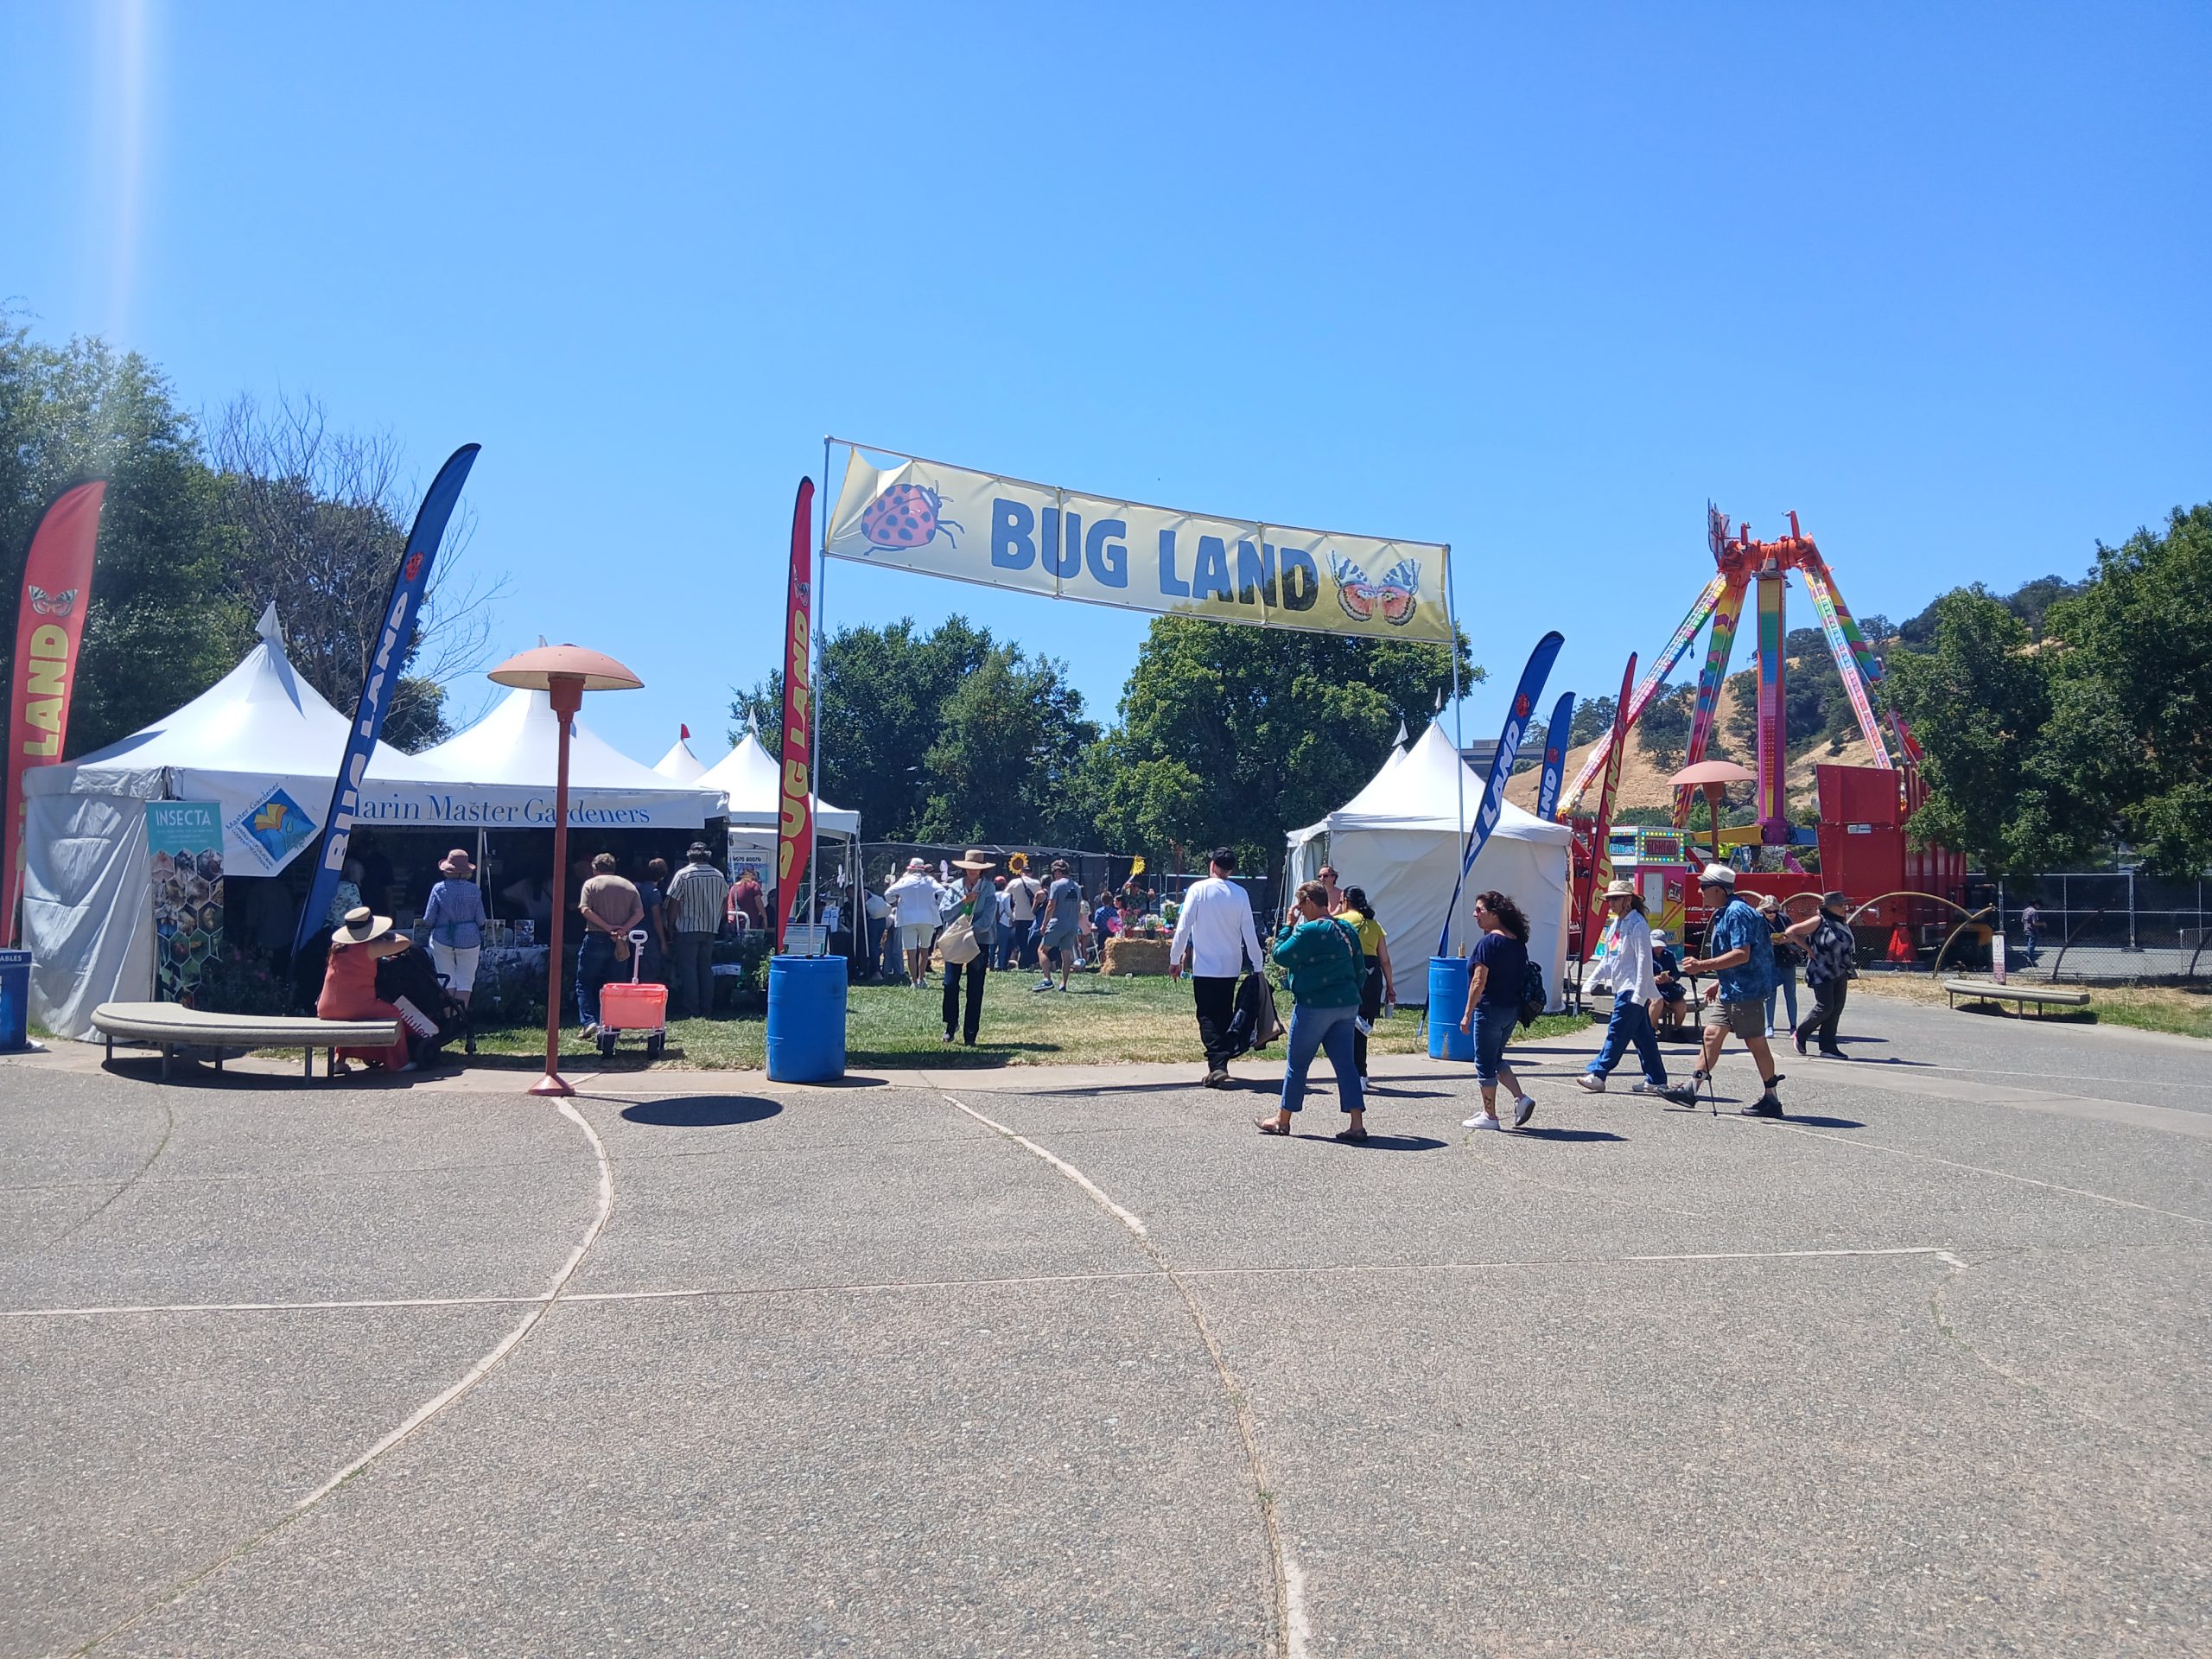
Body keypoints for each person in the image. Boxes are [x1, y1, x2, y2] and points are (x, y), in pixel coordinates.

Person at [1255, 880, 1367, 1141]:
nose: (1300, 910)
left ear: (1307, 901)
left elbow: (1281, 955)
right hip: (1346, 1004)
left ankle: (1283, 1120)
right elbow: (1360, 969)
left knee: (1298, 1064)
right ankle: (1356, 1123)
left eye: (1300, 904)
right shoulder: (1346, 928)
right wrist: (1353, 995)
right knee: (1346, 1065)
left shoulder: (1309, 931)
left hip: (1315, 1005)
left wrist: (1287, 926)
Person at [1676, 863, 1785, 1116]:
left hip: (1746, 990)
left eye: (1704, 886)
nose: (1699, 890)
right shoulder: (1727, 911)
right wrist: (1719, 979)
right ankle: (1691, 1088)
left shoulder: (1737, 913)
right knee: (1711, 1035)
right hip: (1731, 987)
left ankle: (1772, 1099)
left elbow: (1742, 953)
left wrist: (1702, 966)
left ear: (1717, 889)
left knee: (1755, 1042)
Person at [1577, 880, 1695, 1103]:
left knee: (1617, 1033)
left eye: (1615, 899)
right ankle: (1657, 1079)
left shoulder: (1638, 925)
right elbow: (1608, 959)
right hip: (1623, 988)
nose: (1610, 903)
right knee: (1644, 1037)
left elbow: (1644, 961)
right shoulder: (1615, 925)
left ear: (1627, 900)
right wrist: (1590, 982)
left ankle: (1598, 1073)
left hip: (1632, 990)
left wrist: (1640, 994)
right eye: (1609, 899)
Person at [1168, 848, 1268, 1087]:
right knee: (1224, 1012)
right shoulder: (1240, 894)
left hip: (1205, 964)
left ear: (1212, 865)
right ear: (1231, 869)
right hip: (1231, 964)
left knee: (1207, 1015)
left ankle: (1218, 1062)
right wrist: (1257, 963)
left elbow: (1183, 927)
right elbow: (1249, 932)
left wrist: (1175, 958)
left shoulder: (1198, 890)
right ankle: (1221, 1060)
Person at [1458, 891, 1539, 1130]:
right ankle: (1521, 1098)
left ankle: (1489, 1115)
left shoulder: (1489, 943)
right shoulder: (1517, 942)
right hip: (1511, 1010)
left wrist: (1467, 1013)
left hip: (1490, 1009)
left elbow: (1478, 981)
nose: (1475, 915)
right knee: (1496, 1058)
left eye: (1480, 910)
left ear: (1494, 914)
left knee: (1484, 1062)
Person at [319, 906, 416, 1074]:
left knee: (346, 1018)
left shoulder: (338, 946)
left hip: (326, 1006)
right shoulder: (370, 948)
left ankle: (339, 1060)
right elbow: (405, 942)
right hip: (356, 1006)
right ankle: (399, 1062)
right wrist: (385, 933)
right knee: (393, 1013)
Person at [576, 852, 644, 1039]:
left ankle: (590, 1021)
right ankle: (613, 1025)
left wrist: (606, 927)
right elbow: (640, 913)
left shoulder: (590, 884)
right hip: (620, 941)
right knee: (616, 986)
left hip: (595, 936)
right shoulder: (628, 885)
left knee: (584, 983)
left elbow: (585, 910)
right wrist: (623, 929)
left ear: (595, 868)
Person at [1336, 885, 1396, 1083]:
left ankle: (1352, 1072)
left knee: (1345, 1026)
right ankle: (1362, 1072)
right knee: (1363, 1026)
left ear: (1345, 900)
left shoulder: (1341, 921)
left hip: (1350, 973)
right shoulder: (1374, 924)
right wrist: (1390, 986)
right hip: (1373, 975)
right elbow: (1385, 959)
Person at [1787, 890, 1858, 1059]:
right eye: (1840, 905)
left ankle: (1828, 1047)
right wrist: (1808, 949)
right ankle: (1801, 1034)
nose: (1844, 908)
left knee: (1836, 1009)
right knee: (1824, 1007)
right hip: (1822, 970)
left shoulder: (1841, 922)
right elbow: (1791, 932)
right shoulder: (1819, 920)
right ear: (1829, 907)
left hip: (1840, 970)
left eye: (1845, 904)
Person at [941, 849, 1000, 1046]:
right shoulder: (955, 887)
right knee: (950, 984)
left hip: (978, 941)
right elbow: (945, 914)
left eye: (976, 869)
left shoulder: (989, 889)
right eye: (969, 868)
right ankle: (951, 1025)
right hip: (955, 940)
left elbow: (988, 919)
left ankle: (971, 1034)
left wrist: (970, 931)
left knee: (975, 988)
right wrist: (962, 902)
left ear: (982, 870)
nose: (972, 872)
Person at [664, 843, 728, 1019]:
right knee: (705, 968)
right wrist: (717, 920)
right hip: (710, 929)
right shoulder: (718, 875)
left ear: (689, 856)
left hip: (687, 928)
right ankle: (707, 1008)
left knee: (689, 969)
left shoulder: (683, 875)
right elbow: (725, 902)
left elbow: (674, 903)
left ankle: (692, 1009)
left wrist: (670, 926)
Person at [421, 849, 487, 1008]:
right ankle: (460, 1019)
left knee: (445, 978)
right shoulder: (474, 890)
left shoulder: (439, 888)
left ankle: (448, 1021)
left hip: (443, 937)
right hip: (470, 938)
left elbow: (428, 919)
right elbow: (481, 920)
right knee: (466, 980)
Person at [886, 858, 941, 988]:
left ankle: (914, 981)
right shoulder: (929, 880)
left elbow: (888, 893)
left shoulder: (904, 880)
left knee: (911, 952)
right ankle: (922, 979)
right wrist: (936, 904)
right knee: (924, 949)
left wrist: (896, 900)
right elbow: (942, 891)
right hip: (927, 918)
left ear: (910, 868)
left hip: (907, 919)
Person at [1035, 858, 1084, 993]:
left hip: (1058, 922)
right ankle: (1063, 984)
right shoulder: (1076, 886)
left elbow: (1051, 905)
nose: (1053, 875)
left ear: (1058, 871)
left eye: (1054, 872)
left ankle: (1047, 980)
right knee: (1066, 954)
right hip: (1072, 924)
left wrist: (1044, 925)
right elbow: (1079, 907)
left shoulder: (1055, 885)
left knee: (1042, 950)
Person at [1759, 894, 1802, 1037]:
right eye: (1768, 911)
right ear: (1762, 910)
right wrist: (1769, 942)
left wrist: (1786, 939)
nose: (1771, 914)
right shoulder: (1759, 921)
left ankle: (1793, 1026)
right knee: (1770, 993)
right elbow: (1755, 939)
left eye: (1774, 911)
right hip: (1769, 959)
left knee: (1790, 993)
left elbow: (1794, 935)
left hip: (1786, 958)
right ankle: (1769, 1026)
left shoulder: (1784, 919)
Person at [1002, 863, 1041, 971]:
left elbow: (1005, 896)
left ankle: (1005, 962)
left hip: (1017, 917)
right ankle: (1026, 963)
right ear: (1031, 873)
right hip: (1032, 917)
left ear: (1021, 872)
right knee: (1028, 943)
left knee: (1014, 941)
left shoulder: (1014, 882)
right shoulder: (1037, 883)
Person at [1650, 928, 1688, 1034]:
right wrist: (1653, 979)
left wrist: (1670, 979)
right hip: (1650, 988)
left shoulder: (1669, 955)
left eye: (1660, 946)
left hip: (1667, 988)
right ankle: (1652, 1029)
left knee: (1681, 1004)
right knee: (1657, 1001)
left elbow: (1676, 973)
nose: (1658, 948)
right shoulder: (1645, 955)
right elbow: (1639, 974)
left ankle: (1677, 1029)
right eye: (1656, 946)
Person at [327, 859, 365, 928]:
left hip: (327, 925)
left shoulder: (335, 885)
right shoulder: (351, 888)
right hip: (341, 926)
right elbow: (357, 910)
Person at [728, 864, 767, 931]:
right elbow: (758, 902)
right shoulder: (753, 885)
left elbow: (731, 905)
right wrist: (765, 917)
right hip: (752, 920)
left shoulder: (733, 887)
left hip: (737, 921)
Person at [2020, 900, 2043, 965]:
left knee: (2029, 945)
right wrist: (2042, 924)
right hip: (2032, 930)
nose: (2039, 907)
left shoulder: (2025, 910)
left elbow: (2022, 921)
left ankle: (2029, 960)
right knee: (2032, 946)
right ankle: (2030, 960)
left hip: (2026, 929)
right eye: (2038, 905)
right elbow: (2035, 922)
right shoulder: (2034, 911)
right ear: (2035, 904)